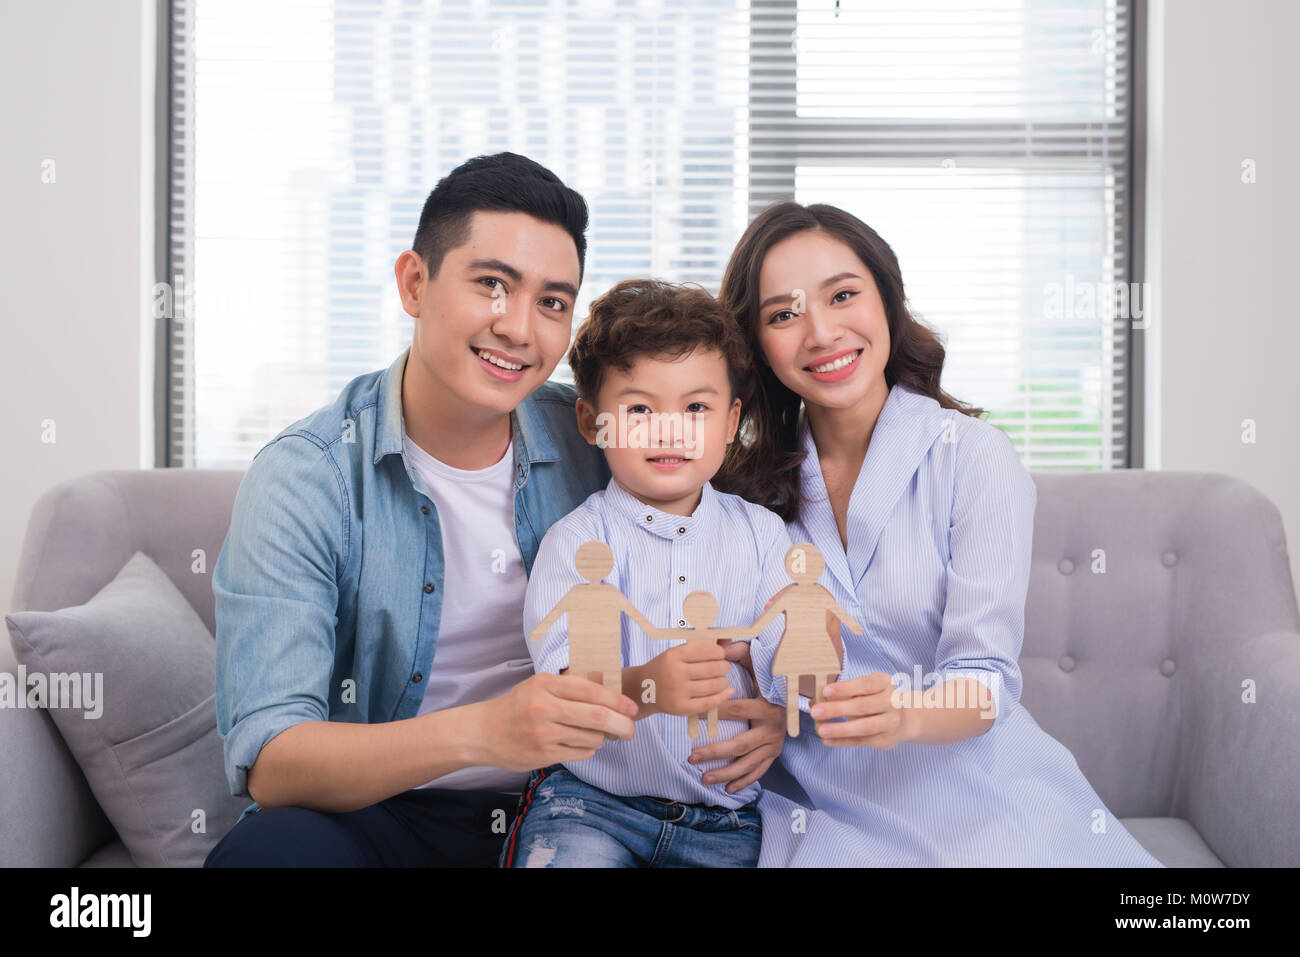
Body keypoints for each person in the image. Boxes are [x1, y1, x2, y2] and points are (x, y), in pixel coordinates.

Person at [203, 153, 783, 867]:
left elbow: (736, 541)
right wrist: (486, 733)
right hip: (387, 809)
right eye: (491, 285)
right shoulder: (306, 477)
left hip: (588, 804)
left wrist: (771, 713)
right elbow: (272, 757)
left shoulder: (605, 437)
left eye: (552, 302)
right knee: (269, 855)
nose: (518, 328)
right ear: (415, 283)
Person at [715, 201, 1164, 867]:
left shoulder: (972, 457)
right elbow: (742, 656)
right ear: (756, 341)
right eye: (784, 313)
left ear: (886, 299)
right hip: (817, 806)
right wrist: (765, 711)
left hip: (975, 789)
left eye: (843, 295)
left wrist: (903, 713)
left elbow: (984, 677)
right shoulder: (741, 487)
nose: (821, 332)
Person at [500, 279, 795, 868]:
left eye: (696, 408)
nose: (670, 430)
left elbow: (791, 671)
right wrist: (648, 685)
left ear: (732, 420)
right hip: (591, 803)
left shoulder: (762, 535)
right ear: (590, 420)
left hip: (726, 817)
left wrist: (796, 688)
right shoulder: (580, 542)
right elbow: (565, 692)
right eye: (639, 409)